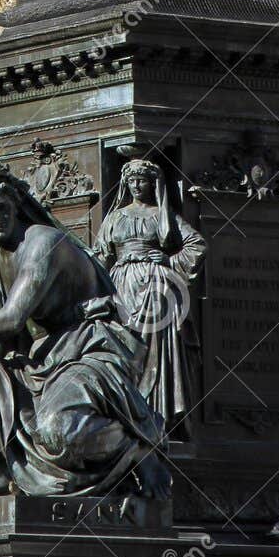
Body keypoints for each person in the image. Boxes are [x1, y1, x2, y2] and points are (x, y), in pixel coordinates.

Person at [0, 161, 166, 501]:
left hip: (86, 355)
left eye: (3, 208)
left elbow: (12, 318)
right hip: (33, 364)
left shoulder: (41, 243)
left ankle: (136, 446)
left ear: (16, 207)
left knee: (56, 433)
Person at [94, 152, 205, 435]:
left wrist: (168, 261)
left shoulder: (162, 216)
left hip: (155, 287)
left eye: (142, 181)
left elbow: (196, 244)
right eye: (132, 181)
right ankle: (124, 411)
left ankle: (155, 411)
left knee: (153, 350)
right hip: (121, 285)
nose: (137, 186)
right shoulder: (115, 218)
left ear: (152, 184)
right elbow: (100, 256)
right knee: (121, 345)